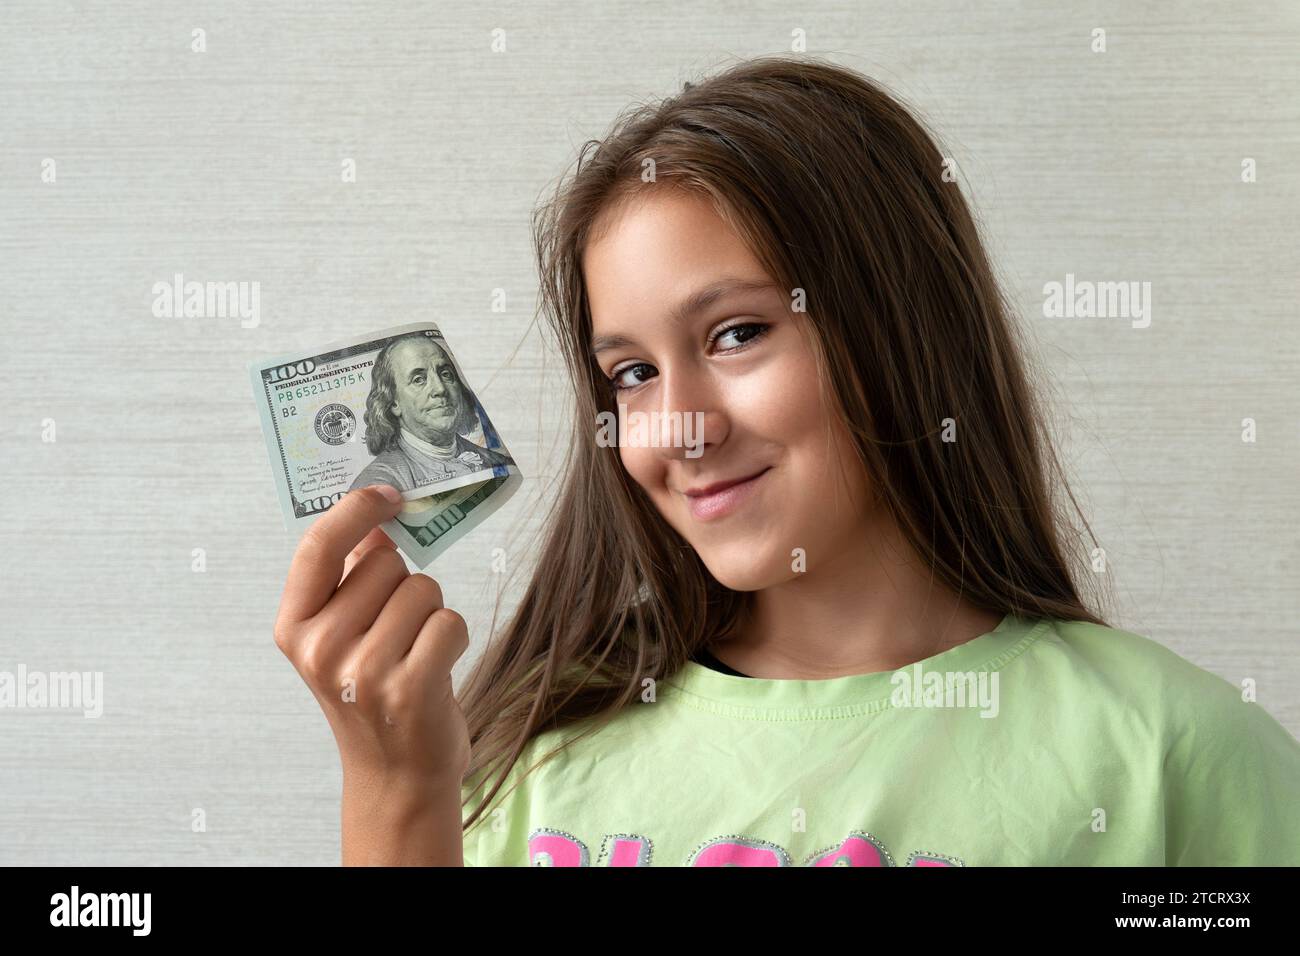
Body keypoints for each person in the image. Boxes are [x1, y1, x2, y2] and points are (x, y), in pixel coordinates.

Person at [271, 55, 1300, 866]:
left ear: (900, 328)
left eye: (734, 336)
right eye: (629, 372)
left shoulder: (1178, 757)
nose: (678, 426)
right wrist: (394, 795)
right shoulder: (520, 758)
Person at [348, 333, 513, 495]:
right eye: (419, 379)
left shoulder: (497, 463)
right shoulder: (377, 484)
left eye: (446, 374)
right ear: (393, 402)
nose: (440, 389)